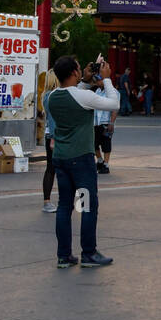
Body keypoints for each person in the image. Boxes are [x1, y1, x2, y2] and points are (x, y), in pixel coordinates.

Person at [46, 56, 119, 268]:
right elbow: (114, 103)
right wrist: (106, 79)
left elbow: (74, 94)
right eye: (79, 69)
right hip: (81, 161)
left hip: (61, 158)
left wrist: (85, 81)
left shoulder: (52, 97)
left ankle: (64, 256)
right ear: (75, 73)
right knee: (86, 206)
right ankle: (88, 253)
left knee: (65, 206)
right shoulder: (83, 96)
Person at [40, 70, 59, 213]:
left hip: (50, 135)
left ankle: (47, 201)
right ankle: (47, 202)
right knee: (54, 169)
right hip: (54, 136)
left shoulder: (45, 95)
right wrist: (53, 137)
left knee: (51, 169)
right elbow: (53, 119)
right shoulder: (52, 96)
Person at [93, 82, 115, 174]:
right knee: (94, 143)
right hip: (95, 122)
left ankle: (106, 165)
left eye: (98, 80)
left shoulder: (112, 92)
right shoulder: (97, 91)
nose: (97, 82)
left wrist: (111, 123)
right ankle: (100, 160)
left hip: (106, 122)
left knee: (106, 144)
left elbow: (115, 108)